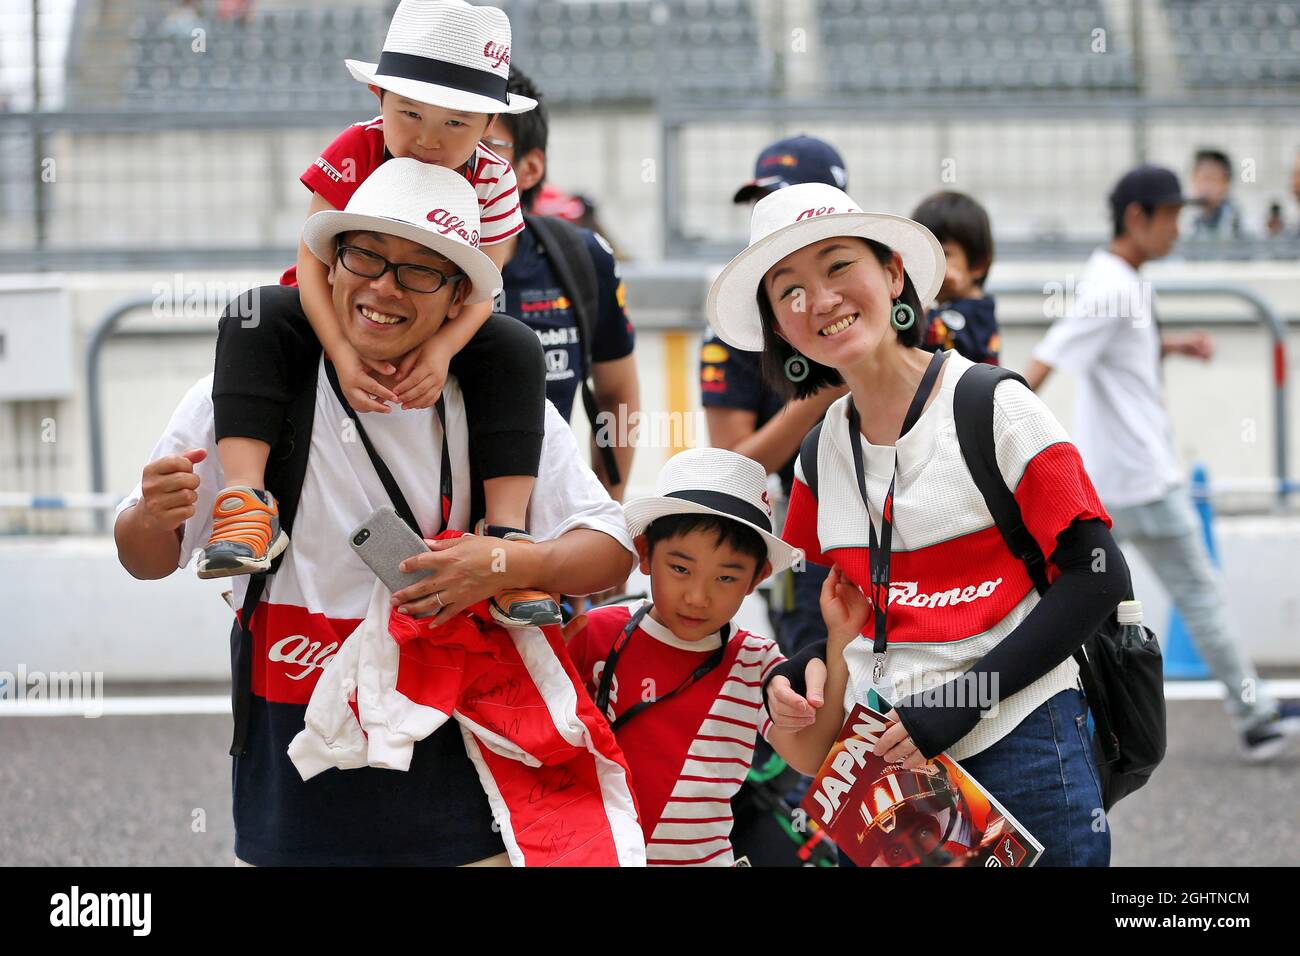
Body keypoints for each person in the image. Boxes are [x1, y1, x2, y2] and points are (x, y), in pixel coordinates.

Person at [113, 161, 638, 866]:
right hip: (295, 774)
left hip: (469, 780)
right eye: (366, 256)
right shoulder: (245, 392)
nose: (384, 287)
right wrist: (153, 515)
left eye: (422, 271)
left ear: (458, 299)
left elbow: (611, 553)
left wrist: (506, 562)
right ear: (329, 268)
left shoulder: (496, 403)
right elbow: (144, 558)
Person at [709, 181, 1129, 866]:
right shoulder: (819, 453)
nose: (819, 301)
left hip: (1024, 738)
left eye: (839, 265)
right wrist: (798, 677)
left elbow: (1099, 575)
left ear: (893, 272)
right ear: (779, 329)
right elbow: (833, 621)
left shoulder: (994, 405)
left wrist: (964, 700)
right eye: (788, 292)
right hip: (891, 770)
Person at [200, 0, 557, 626]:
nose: (428, 138)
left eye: (456, 122)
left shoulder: (496, 180)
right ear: (379, 94)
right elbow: (311, 260)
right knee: (256, 313)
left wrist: (443, 348)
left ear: (489, 122)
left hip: (436, 317)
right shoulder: (355, 147)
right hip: (329, 310)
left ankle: (506, 539)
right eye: (410, 113)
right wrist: (338, 348)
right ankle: (245, 500)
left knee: (514, 346)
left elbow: (486, 282)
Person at [1025, 164, 1300, 761]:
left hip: (1116, 481)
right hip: (1144, 480)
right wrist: (983, 424)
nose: (1178, 229)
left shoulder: (1122, 279)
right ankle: (1253, 717)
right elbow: (1047, 359)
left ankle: (1080, 728)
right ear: (1136, 217)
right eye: (1171, 216)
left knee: (1092, 606)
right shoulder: (1113, 287)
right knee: (1199, 595)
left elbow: (1117, 349)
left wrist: (1174, 346)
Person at [565, 447, 809, 866]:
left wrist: (834, 647)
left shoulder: (758, 662)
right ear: (644, 554)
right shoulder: (595, 633)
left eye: (726, 577)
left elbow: (808, 756)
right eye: (680, 568)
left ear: (757, 578)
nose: (698, 597)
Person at [483, 68, 640, 500]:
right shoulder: (397, 265)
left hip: (542, 533)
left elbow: (618, 395)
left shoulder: (582, 257)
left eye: (486, 146)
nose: (465, 162)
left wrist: (605, 510)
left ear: (530, 168)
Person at [910, 191, 1000, 364]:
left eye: (942, 254)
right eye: (923, 253)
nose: (929, 264)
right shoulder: (964, 309)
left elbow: (918, 333)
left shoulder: (974, 315)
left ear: (977, 265)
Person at [1188, 148, 1245, 240]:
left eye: (1212, 179)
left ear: (1226, 183)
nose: (1205, 187)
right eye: (1201, 179)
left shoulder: (1241, 224)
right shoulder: (1183, 222)